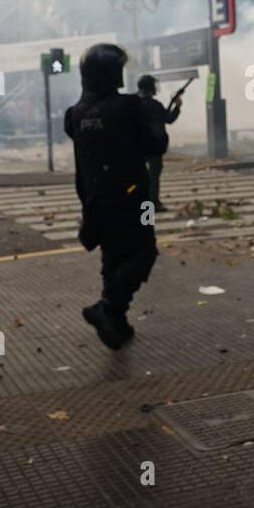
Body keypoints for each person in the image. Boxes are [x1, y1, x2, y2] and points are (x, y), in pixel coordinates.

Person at [64, 44, 160, 350]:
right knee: (145, 252)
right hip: (136, 196)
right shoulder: (128, 106)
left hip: (95, 200)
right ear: (111, 73)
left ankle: (116, 322)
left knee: (113, 256)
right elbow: (155, 146)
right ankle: (108, 308)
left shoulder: (74, 115)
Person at [136, 73, 182, 213]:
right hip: (154, 146)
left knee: (138, 175)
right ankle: (153, 202)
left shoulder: (134, 104)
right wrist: (177, 106)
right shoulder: (155, 105)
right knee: (154, 175)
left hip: (138, 146)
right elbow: (168, 119)